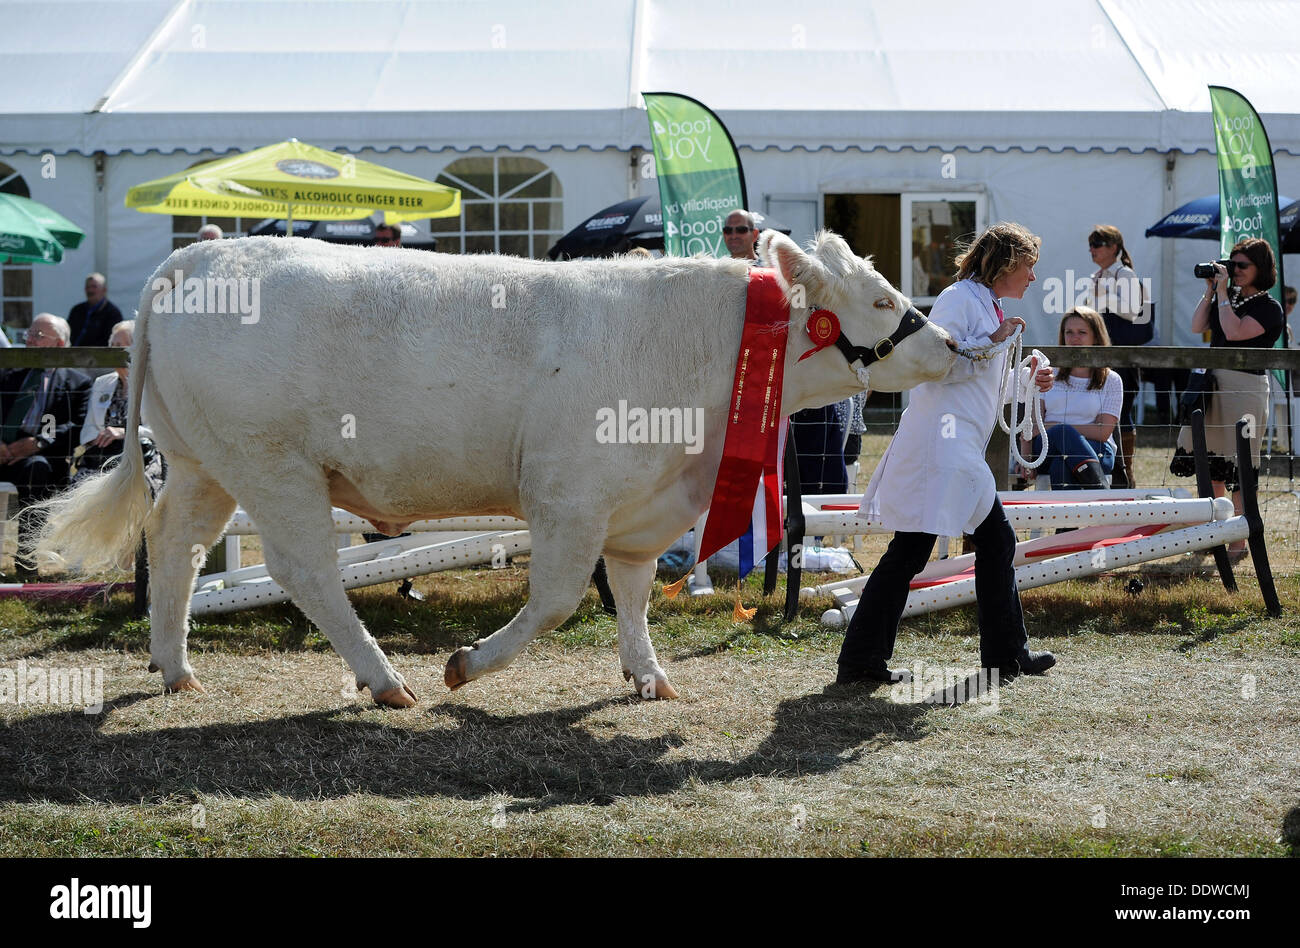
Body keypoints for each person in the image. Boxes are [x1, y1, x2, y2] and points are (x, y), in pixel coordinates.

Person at [836, 222, 1057, 690]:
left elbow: (980, 379)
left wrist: (1026, 378)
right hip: (942, 447)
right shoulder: (959, 299)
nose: (1034, 277)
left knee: (937, 550)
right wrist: (998, 340)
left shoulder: (985, 303)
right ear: (1007, 262)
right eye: (1030, 266)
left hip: (956, 447)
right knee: (962, 547)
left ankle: (867, 658)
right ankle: (1002, 656)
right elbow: (938, 365)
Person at [1170, 238, 1284, 557]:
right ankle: (1212, 535)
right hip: (1215, 385)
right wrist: (1211, 290)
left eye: (1242, 266)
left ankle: (1238, 542)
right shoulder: (1226, 297)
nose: (1235, 271)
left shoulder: (1269, 307)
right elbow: (1196, 326)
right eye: (1232, 265)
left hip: (1246, 390)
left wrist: (1222, 294)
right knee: (1212, 465)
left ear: (1261, 268)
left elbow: (1234, 333)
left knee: (1240, 468)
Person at [0, 313, 91, 579]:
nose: (29, 339)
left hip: (37, 458)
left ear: (59, 345)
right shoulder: (9, 372)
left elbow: (75, 427)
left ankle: (26, 559)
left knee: (36, 469)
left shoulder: (77, 381)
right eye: (29, 333)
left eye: (38, 336)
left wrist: (38, 442)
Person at [1018, 307, 1121, 488]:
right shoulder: (1047, 374)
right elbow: (1032, 426)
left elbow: (1103, 432)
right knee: (1060, 437)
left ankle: (1065, 516)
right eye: (1069, 332)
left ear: (1096, 337)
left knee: (1062, 462)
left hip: (1097, 450)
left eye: (1082, 332)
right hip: (1046, 448)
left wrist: (1057, 427)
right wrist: (1025, 459)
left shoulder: (1111, 380)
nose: (1074, 338)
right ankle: (1099, 490)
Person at [1085, 225, 1146, 488]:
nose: (1092, 250)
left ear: (1113, 247)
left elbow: (1133, 312)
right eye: (1091, 244)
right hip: (1101, 354)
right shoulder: (1098, 275)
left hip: (1122, 354)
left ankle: (1125, 473)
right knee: (1100, 409)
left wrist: (1104, 293)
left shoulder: (1125, 274)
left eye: (1097, 244)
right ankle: (1108, 469)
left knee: (1123, 411)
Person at [75, 320, 161, 487]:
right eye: (111, 345)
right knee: (80, 484)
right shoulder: (102, 383)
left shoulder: (155, 384)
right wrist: (103, 438)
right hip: (105, 458)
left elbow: (160, 432)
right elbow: (88, 430)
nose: (112, 351)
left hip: (143, 458)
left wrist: (124, 432)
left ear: (136, 349)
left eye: (119, 345)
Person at [66, 272, 124, 348]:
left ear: (104, 290)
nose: (90, 290)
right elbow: (68, 333)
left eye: (94, 287)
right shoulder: (76, 310)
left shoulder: (113, 313)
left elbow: (111, 341)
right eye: (87, 287)